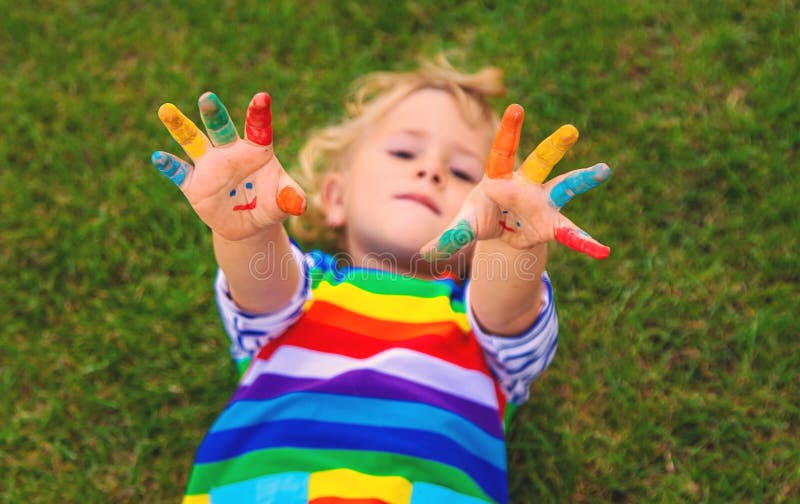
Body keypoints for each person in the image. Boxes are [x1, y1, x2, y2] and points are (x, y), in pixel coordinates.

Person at [151, 56, 611, 504]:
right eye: (403, 151)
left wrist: (512, 247)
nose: (430, 170)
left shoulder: (477, 323)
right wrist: (249, 226)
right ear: (335, 196)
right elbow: (260, 279)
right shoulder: (303, 288)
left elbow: (509, 309)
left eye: (464, 173)